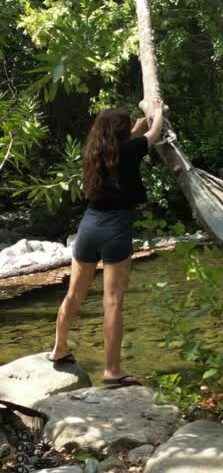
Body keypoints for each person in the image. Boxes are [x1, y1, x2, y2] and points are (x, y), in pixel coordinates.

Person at [47, 101, 164, 387]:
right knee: (112, 301)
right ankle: (112, 370)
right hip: (116, 227)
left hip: (89, 225)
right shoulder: (130, 150)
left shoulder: (93, 152)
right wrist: (158, 112)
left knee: (74, 295)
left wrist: (135, 127)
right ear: (122, 133)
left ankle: (59, 348)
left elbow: (127, 143)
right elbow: (155, 134)